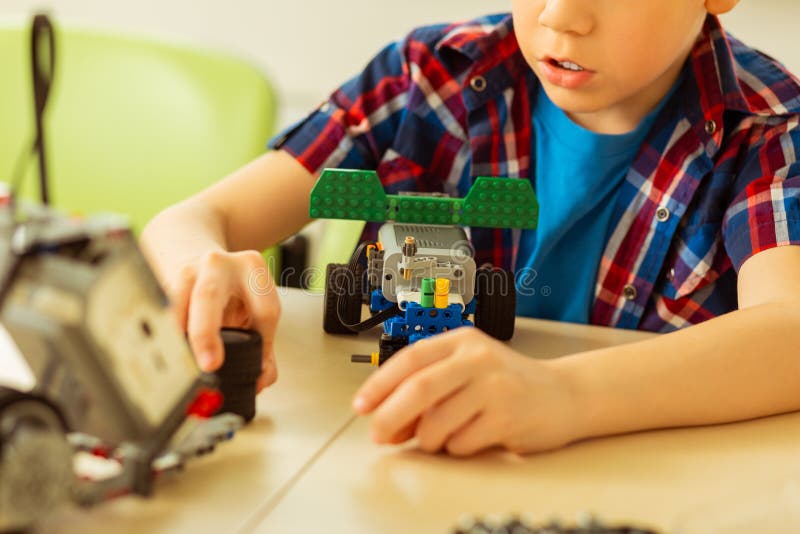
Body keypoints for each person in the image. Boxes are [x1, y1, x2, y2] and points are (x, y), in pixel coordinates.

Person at [141, 0, 800, 456]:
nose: (560, 17)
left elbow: (791, 333)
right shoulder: (427, 76)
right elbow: (193, 221)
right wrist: (201, 262)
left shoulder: (768, 127)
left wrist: (563, 396)